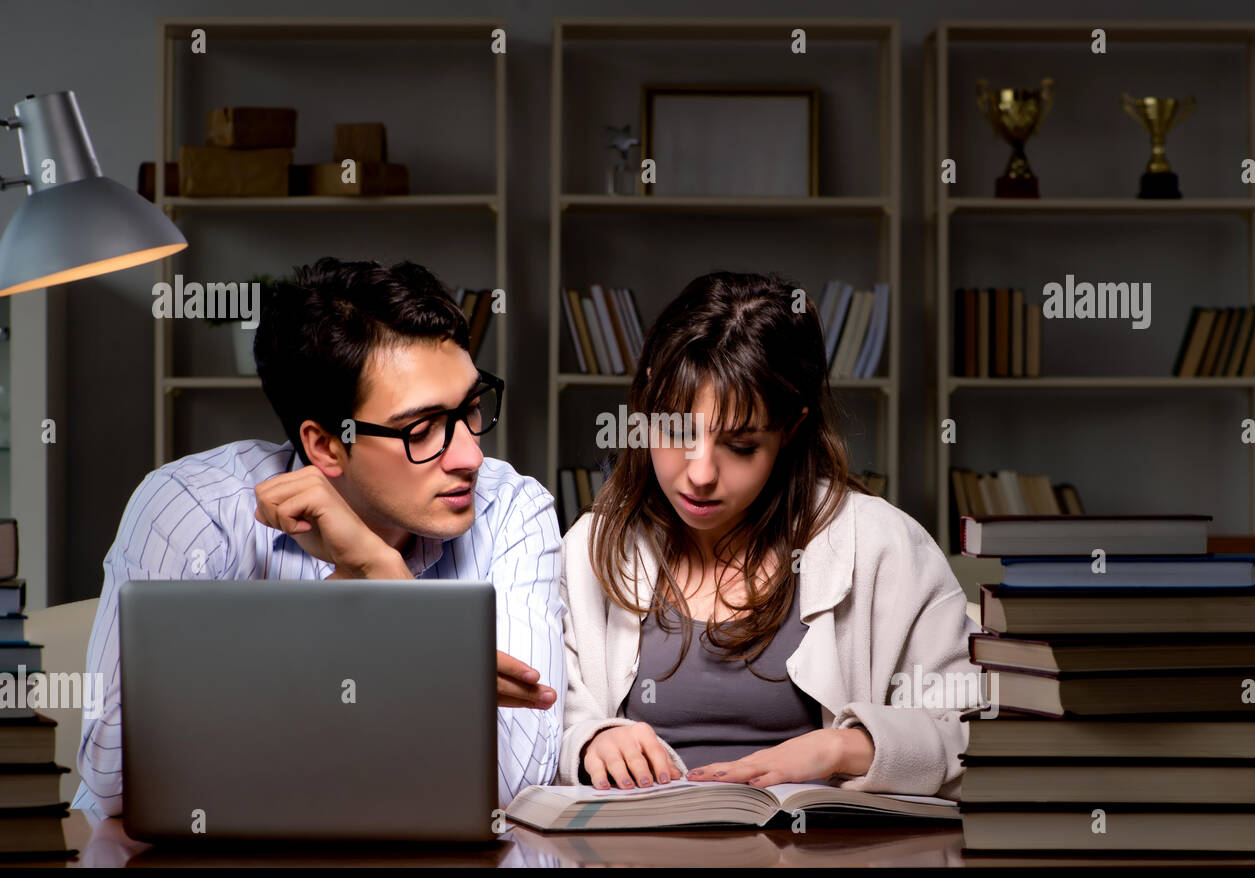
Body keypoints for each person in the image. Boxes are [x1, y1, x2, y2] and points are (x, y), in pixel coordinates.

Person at [74, 257, 564, 817]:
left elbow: (520, 783)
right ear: (326, 445)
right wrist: (388, 644)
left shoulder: (512, 508)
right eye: (422, 429)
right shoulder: (192, 509)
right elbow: (113, 776)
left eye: (472, 407)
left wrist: (387, 579)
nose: (472, 455)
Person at [558, 271, 983, 797]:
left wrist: (846, 748)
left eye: (740, 445)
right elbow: (535, 727)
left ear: (791, 430)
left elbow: (975, 730)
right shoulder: (589, 549)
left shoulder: (883, 546)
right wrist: (589, 741)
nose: (700, 473)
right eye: (674, 431)